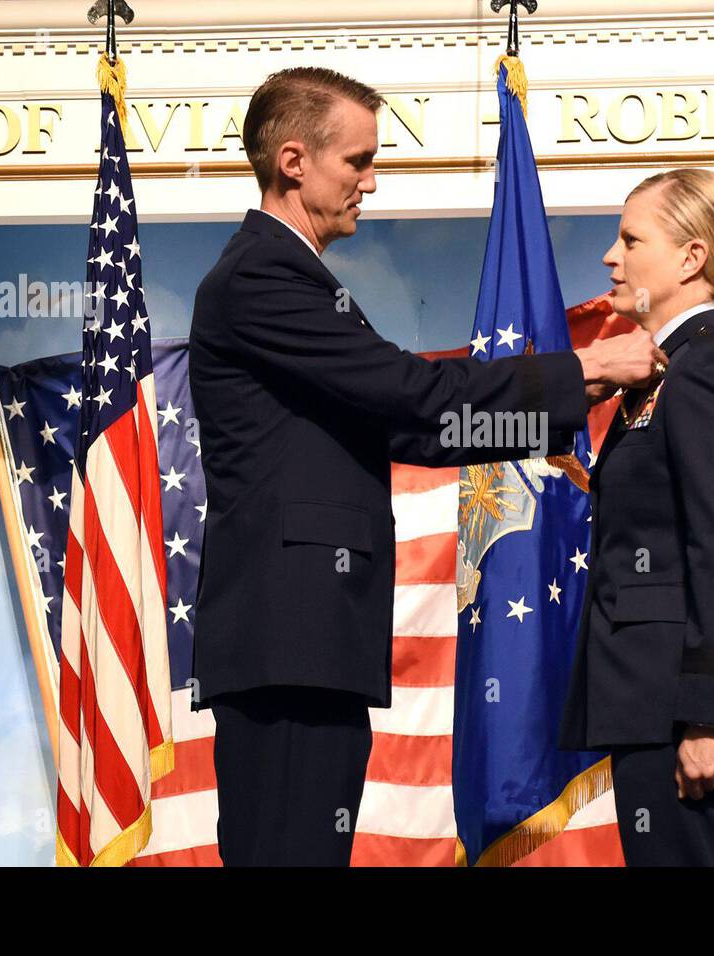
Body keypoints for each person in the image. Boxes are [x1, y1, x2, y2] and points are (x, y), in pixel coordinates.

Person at [188, 66, 665, 866]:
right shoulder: (262, 276)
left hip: (312, 646)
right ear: (295, 161)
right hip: (289, 644)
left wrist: (543, 415)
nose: (371, 182)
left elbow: (423, 430)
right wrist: (587, 370)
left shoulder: (290, 275)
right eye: (358, 161)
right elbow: (410, 394)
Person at [557, 168, 714, 866]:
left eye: (631, 239)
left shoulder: (710, 369)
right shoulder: (663, 374)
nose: (610, 257)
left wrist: (712, 714)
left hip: (686, 714)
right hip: (654, 707)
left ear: (691, 259)